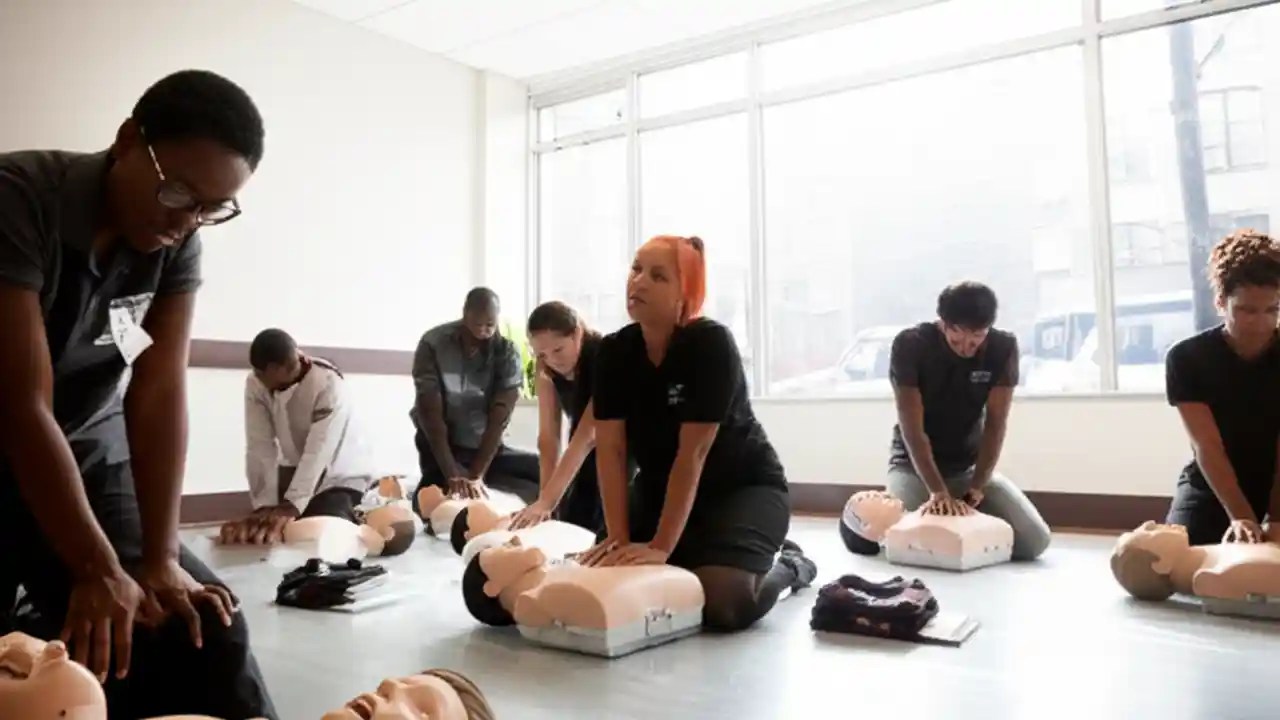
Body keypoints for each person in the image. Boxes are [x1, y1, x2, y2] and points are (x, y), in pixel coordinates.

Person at [0, 70, 277, 718]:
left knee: (196, 625)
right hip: (13, 440)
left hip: (89, 455)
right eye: (179, 191)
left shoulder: (175, 247)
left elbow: (156, 394)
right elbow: (19, 404)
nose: (189, 222)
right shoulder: (18, 200)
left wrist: (157, 558)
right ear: (128, 140)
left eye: (213, 209)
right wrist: (98, 569)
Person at [578, 235, 817, 633]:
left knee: (724, 604)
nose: (638, 282)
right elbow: (612, 452)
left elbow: (693, 455)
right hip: (659, 489)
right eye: (636, 269)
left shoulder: (710, 345)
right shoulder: (615, 352)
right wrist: (618, 538)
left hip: (742, 489)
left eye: (658, 276)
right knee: (610, 571)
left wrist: (661, 548)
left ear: (684, 293)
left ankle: (791, 566)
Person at [885, 281, 1050, 561]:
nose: (967, 347)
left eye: (976, 337)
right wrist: (937, 491)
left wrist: (978, 484)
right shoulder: (911, 344)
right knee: (904, 541)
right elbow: (913, 429)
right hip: (913, 468)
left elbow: (996, 424)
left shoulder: (1003, 347)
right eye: (957, 337)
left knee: (1033, 542)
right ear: (943, 325)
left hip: (966, 469)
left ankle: (963, 518)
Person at [1165, 230, 1280, 546]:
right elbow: (1207, 447)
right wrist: (1242, 516)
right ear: (1220, 303)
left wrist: (1277, 517)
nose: (1261, 323)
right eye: (1246, 310)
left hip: (1275, 478)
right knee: (1171, 558)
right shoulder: (1186, 358)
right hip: (1212, 483)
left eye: (1272, 310)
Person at [219, 328, 378, 545]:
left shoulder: (328, 384)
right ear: (264, 371)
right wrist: (264, 505)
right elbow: (259, 445)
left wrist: (292, 506)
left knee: (319, 531)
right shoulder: (256, 384)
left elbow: (319, 451)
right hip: (296, 471)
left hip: (340, 475)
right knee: (270, 525)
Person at [410, 287, 539, 512]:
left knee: (542, 471)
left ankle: (484, 484)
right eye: (477, 323)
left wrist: (476, 475)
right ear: (465, 314)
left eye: (489, 324)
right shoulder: (433, 343)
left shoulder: (506, 352)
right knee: (428, 503)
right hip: (441, 446)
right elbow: (430, 414)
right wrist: (452, 473)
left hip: (484, 447)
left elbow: (500, 416)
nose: (483, 330)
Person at [508, 301, 618, 533]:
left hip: (622, 443)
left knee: (595, 517)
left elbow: (588, 435)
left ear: (577, 333)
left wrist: (547, 502)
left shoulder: (606, 356)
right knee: (565, 514)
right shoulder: (544, 366)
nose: (553, 360)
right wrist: (545, 502)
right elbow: (548, 438)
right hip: (585, 444)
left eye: (558, 350)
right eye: (542, 354)